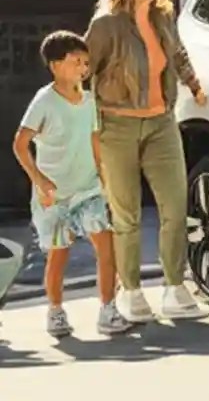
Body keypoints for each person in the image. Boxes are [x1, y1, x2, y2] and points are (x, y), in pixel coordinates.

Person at [86, 0, 208, 323]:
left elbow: (178, 55)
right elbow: (85, 73)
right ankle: (132, 292)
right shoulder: (106, 25)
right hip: (116, 125)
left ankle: (175, 287)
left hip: (161, 123)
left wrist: (195, 86)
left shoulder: (163, 17)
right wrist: (84, 128)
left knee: (175, 205)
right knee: (127, 214)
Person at [11, 31, 131, 337]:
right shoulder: (44, 101)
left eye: (86, 62)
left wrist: (105, 183)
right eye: (76, 61)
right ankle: (55, 310)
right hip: (55, 196)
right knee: (59, 253)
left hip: (88, 190)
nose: (83, 68)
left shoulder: (89, 101)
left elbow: (94, 141)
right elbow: (20, 144)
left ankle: (108, 309)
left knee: (106, 247)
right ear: (55, 65)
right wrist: (39, 181)